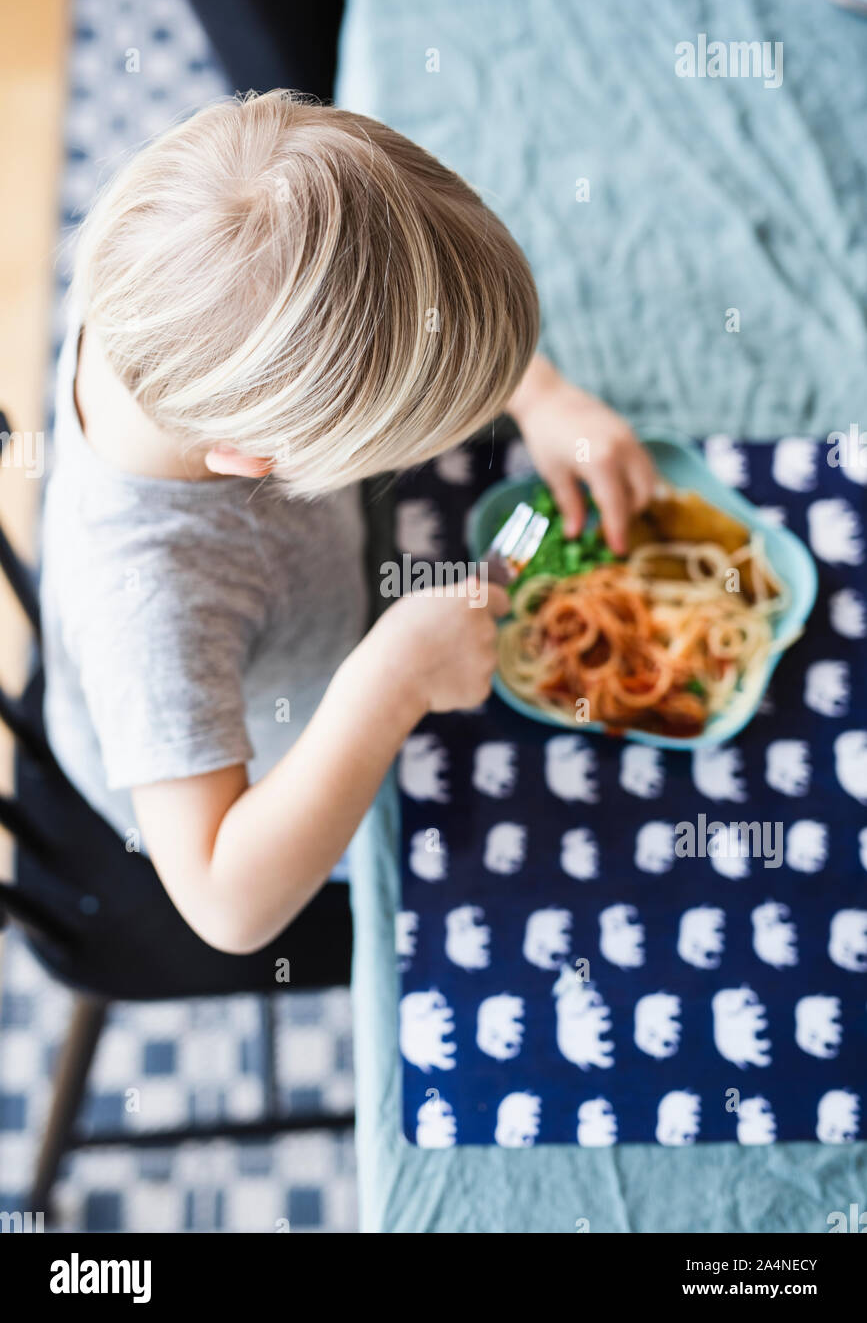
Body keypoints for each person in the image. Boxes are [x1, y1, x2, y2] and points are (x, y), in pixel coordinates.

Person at [41, 91, 655, 954]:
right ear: (261, 459)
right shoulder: (149, 607)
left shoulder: (167, 257)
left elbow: (385, 298)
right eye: (428, 427)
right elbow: (227, 907)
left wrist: (540, 392)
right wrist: (392, 679)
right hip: (258, 778)